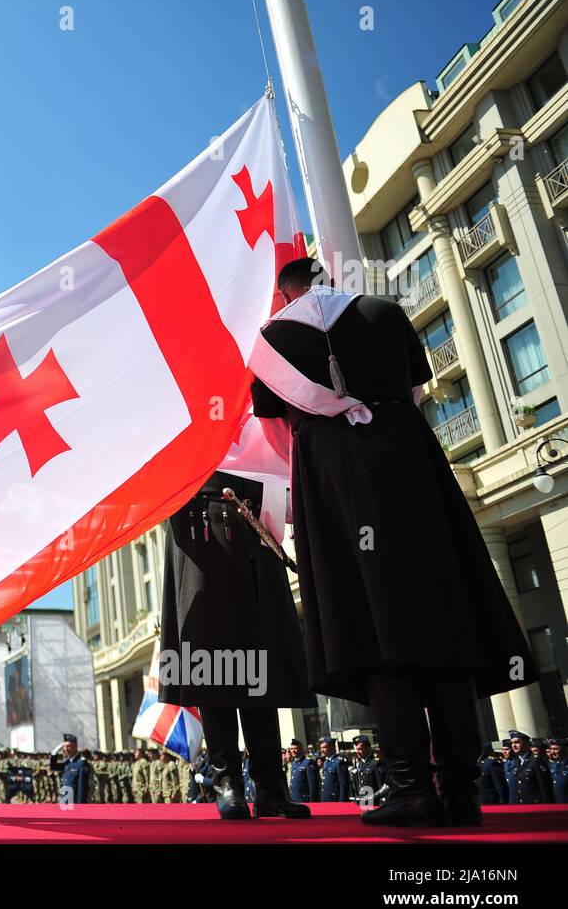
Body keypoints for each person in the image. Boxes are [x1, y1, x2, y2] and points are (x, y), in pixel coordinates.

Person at [250, 257, 536, 828]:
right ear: (328, 279)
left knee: (372, 623)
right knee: (441, 610)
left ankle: (411, 788)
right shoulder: (384, 311)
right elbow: (414, 388)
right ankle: (461, 788)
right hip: (409, 461)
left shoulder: (272, 339)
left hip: (331, 476)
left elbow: (275, 426)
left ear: (284, 294)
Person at [159, 462, 315, 819]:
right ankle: (227, 782)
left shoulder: (249, 412)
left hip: (254, 527)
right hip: (199, 525)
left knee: (260, 665)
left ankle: (271, 787)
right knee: (213, 667)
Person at [505, 730, 554, 804]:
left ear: (526, 743)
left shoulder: (536, 761)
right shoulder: (516, 762)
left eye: (517, 742)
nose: (514, 745)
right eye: (512, 743)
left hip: (535, 806)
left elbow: (545, 789)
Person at [50, 735, 93, 803]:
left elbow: (82, 787)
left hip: (74, 801)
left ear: (75, 746)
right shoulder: (68, 762)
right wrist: (55, 751)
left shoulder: (81, 763)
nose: (66, 749)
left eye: (69, 746)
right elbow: (53, 767)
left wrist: (80, 805)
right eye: (64, 747)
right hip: (65, 800)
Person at [349, 735, 388, 808]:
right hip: (362, 803)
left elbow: (381, 787)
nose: (357, 752)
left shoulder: (376, 764)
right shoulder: (359, 765)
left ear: (368, 748)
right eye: (356, 749)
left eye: (360, 749)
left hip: (374, 803)